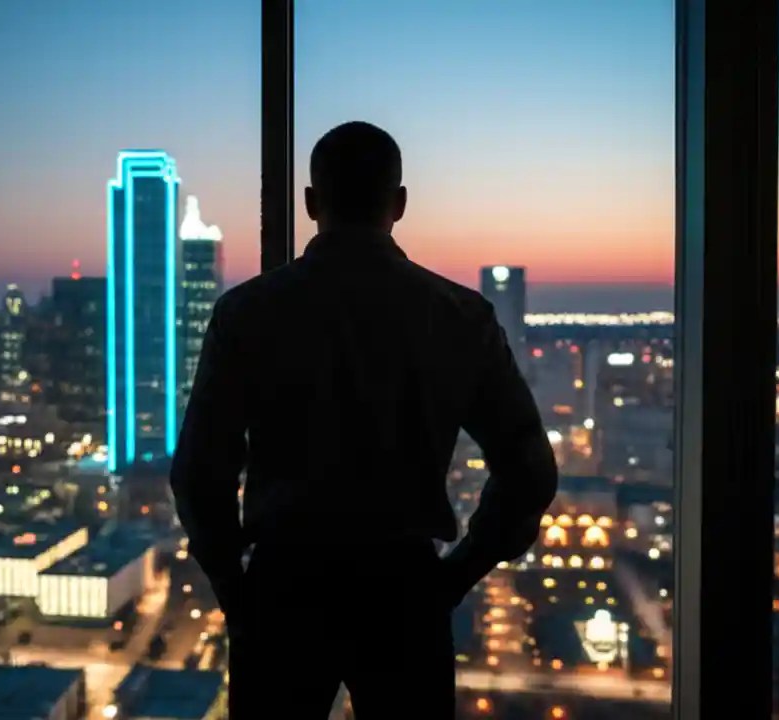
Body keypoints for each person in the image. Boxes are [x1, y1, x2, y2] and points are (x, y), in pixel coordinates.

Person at [170, 121, 558, 719]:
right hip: (403, 594)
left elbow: (200, 473)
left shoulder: (247, 313)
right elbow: (528, 468)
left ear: (309, 203)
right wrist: (457, 574)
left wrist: (234, 590)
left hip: (285, 590)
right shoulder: (459, 316)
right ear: (399, 204)